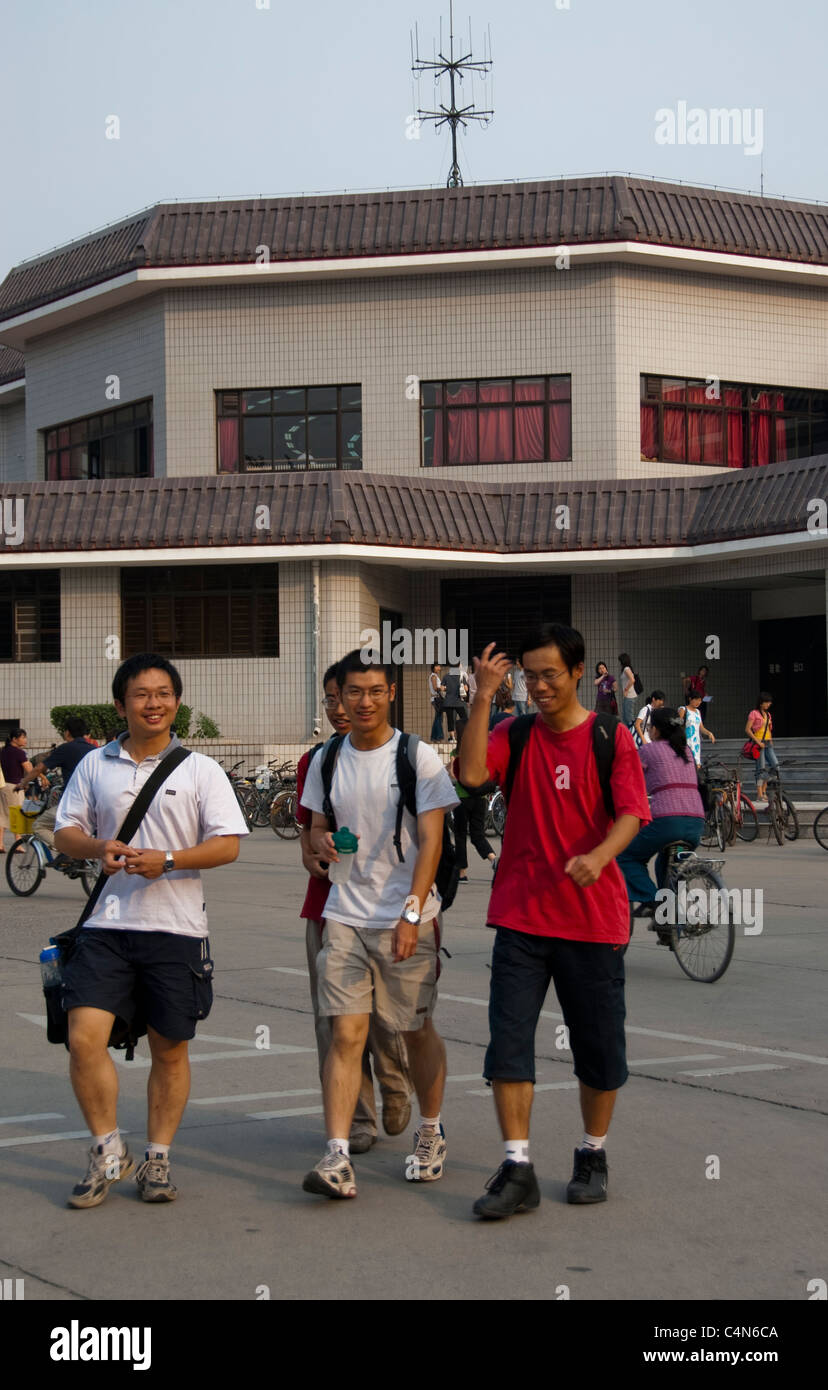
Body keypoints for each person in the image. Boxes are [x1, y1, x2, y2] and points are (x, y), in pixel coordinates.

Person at [458, 624, 649, 1221]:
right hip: (521, 917)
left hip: (592, 922)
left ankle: (592, 1153)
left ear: (577, 672)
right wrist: (483, 696)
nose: (538, 686)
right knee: (508, 1044)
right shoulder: (512, 732)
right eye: (528, 675)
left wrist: (598, 855)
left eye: (550, 675)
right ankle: (517, 1168)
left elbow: (633, 814)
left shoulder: (610, 738)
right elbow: (469, 776)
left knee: (598, 1049)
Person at [53, 653, 248, 1208]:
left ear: (176, 702)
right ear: (121, 704)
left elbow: (228, 843)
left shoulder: (200, 770)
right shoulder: (95, 766)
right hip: (106, 928)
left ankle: (157, 1158)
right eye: (141, 694)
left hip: (176, 929)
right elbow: (64, 831)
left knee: (169, 1048)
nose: (154, 703)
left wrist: (168, 858)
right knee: (83, 1038)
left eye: (163, 693)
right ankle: (108, 1149)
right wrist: (99, 847)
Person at [300, 648, 458, 1200]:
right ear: (337, 697)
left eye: (374, 691)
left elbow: (432, 842)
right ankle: (338, 1155)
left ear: (391, 693)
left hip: (404, 916)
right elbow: (317, 830)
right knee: (345, 1032)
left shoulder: (419, 758)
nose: (363, 701)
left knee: (414, 1030)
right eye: (352, 692)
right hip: (343, 913)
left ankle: (431, 1131)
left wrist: (412, 912)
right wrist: (319, 845)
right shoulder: (325, 759)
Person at [297, 664, 412, 1152]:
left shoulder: (403, 756)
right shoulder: (317, 763)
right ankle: (357, 1120)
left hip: (389, 911)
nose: (340, 709)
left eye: (346, 698)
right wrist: (320, 851)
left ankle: (394, 1080)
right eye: (332, 700)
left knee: (388, 1020)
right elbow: (307, 841)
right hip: (329, 908)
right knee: (337, 1025)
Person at [617, 707, 705, 917]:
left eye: (649, 727)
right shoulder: (687, 752)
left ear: (655, 730)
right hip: (696, 824)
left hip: (667, 821)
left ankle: (655, 902)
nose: (648, 731)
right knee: (666, 867)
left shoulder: (649, 750)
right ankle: (672, 927)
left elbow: (624, 778)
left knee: (625, 858)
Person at [17, 717, 96, 853]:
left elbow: (38, 768)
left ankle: (67, 852)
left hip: (73, 803)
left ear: (67, 733)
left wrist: (22, 783)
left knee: (39, 825)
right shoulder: (94, 750)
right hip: (95, 803)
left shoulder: (65, 749)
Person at [0, 729, 33, 852]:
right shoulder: (19, 753)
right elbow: (29, 768)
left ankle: (0, 843)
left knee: (2, 814)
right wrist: (41, 777)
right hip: (15, 786)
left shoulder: (3, 751)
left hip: (3, 785)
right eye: (23, 737)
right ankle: (18, 844)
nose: (25, 740)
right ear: (14, 739)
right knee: (16, 814)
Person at [745, 693, 777, 801]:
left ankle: (764, 790)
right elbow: (748, 730)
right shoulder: (754, 713)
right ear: (761, 702)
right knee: (760, 769)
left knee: (776, 766)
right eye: (767, 702)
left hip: (768, 743)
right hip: (758, 744)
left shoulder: (768, 714)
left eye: (769, 702)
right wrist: (758, 742)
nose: (769, 704)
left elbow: (768, 729)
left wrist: (771, 740)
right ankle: (759, 794)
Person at [677, 690, 715, 767]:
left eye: (700, 700)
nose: (699, 702)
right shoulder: (683, 709)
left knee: (697, 765)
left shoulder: (698, 711)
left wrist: (709, 733)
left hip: (696, 743)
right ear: (690, 699)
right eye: (696, 700)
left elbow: (701, 727)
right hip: (686, 741)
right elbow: (678, 724)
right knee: (688, 764)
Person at [442, 665, 468, 742]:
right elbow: (466, 689)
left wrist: (447, 688)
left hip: (448, 702)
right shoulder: (461, 677)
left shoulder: (446, 676)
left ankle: (452, 738)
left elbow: (442, 688)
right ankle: (464, 736)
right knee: (464, 719)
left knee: (450, 720)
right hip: (459, 702)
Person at [618, 654, 638, 729]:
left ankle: (632, 734)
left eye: (620, 661)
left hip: (630, 696)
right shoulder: (627, 669)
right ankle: (629, 733)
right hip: (628, 696)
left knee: (629, 718)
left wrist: (626, 689)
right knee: (626, 717)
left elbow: (632, 680)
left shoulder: (626, 669)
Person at [428, 663, 446, 743]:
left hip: (436, 698)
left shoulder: (434, 676)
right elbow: (435, 688)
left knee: (437, 718)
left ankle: (434, 737)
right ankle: (438, 737)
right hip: (436, 699)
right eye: (438, 666)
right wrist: (443, 688)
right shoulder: (434, 676)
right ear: (435, 667)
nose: (440, 668)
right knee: (438, 718)